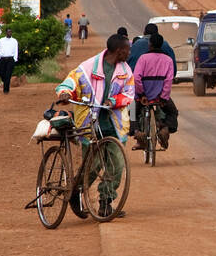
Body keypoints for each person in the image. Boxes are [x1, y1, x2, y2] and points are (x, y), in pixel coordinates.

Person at [55, 33, 135, 220]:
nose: (128, 53)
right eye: (127, 50)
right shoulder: (88, 67)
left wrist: (113, 101)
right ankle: (77, 192)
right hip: (90, 124)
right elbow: (70, 81)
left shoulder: (125, 70)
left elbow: (130, 93)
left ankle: (105, 203)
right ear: (118, 51)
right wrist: (65, 92)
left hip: (114, 126)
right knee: (93, 165)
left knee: (117, 164)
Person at [131, 32, 178, 152]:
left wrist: (141, 94)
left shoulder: (143, 58)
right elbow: (168, 80)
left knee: (131, 112)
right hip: (159, 97)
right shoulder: (168, 60)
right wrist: (163, 97)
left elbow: (136, 78)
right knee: (172, 112)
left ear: (150, 45)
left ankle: (137, 132)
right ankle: (165, 128)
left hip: (143, 97)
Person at [0, 28, 19, 93]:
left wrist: (14, 59)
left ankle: (6, 90)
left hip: (10, 59)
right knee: (1, 73)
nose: (9, 33)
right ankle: (4, 81)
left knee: (8, 75)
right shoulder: (1, 40)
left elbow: (16, 50)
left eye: (10, 32)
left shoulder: (14, 41)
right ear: (6, 32)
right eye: (8, 32)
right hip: (2, 59)